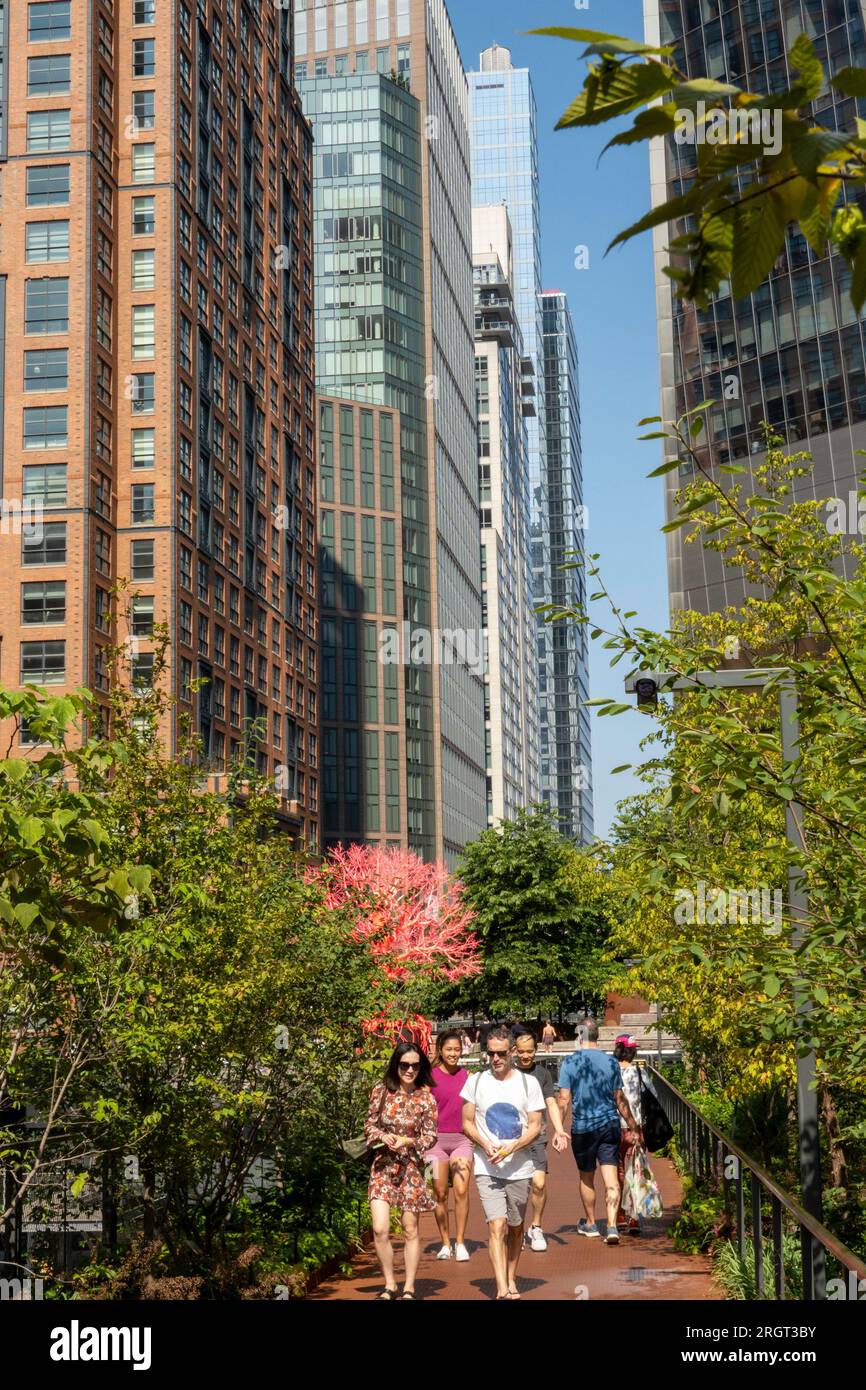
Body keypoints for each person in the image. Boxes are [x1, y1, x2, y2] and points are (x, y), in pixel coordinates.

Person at [461, 1025, 545, 1299]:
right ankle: (501, 1287)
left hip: (519, 1167)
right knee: (496, 1225)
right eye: (490, 1053)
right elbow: (467, 1122)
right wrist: (485, 1145)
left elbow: (535, 1127)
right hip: (487, 1167)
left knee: (516, 1225)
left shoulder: (528, 1084)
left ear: (511, 1052)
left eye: (500, 1053)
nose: (495, 1059)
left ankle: (511, 1276)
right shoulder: (475, 1081)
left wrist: (512, 1147)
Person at [556, 1016, 642, 1246]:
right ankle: (612, 1226)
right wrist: (632, 1125)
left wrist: (557, 1129)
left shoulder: (570, 1062)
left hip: (583, 1128)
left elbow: (563, 1099)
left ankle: (592, 1223)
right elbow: (619, 1098)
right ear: (597, 1036)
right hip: (609, 1126)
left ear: (580, 1035)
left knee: (587, 1176)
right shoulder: (611, 1062)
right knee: (611, 1178)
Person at [365, 1040, 439, 1299]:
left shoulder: (426, 1097)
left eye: (415, 1066)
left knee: (410, 1228)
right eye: (404, 1065)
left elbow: (430, 1137)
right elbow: (369, 1125)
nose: (410, 1070)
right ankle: (389, 1283)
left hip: (411, 1167)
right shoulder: (381, 1090)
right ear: (395, 1065)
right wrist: (383, 1137)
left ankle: (408, 1285)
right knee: (380, 1228)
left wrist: (410, 1141)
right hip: (383, 1165)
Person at [512, 1027, 569, 1251]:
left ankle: (536, 1227)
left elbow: (551, 1102)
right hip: (512, 1139)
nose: (526, 1056)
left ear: (536, 1051)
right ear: (515, 1051)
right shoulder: (506, 1073)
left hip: (536, 1137)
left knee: (538, 1183)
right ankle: (515, 1229)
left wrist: (559, 1129)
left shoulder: (542, 1074)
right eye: (522, 1051)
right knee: (516, 1189)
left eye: (530, 1051)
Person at [429, 1030, 473, 1262]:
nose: (453, 1053)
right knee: (439, 1193)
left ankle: (461, 1241)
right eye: (449, 1049)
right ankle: (445, 1243)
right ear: (441, 1051)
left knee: (462, 1190)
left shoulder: (468, 1076)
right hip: (433, 1144)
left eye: (457, 1049)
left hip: (461, 1140)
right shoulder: (429, 1076)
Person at [613, 1034, 659, 1233]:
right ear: (632, 1051)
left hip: (614, 1128)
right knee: (634, 1170)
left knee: (616, 1171)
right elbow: (653, 1097)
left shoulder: (611, 1072)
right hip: (636, 1130)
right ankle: (632, 1216)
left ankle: (618, 1215)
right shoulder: (640, 1073)